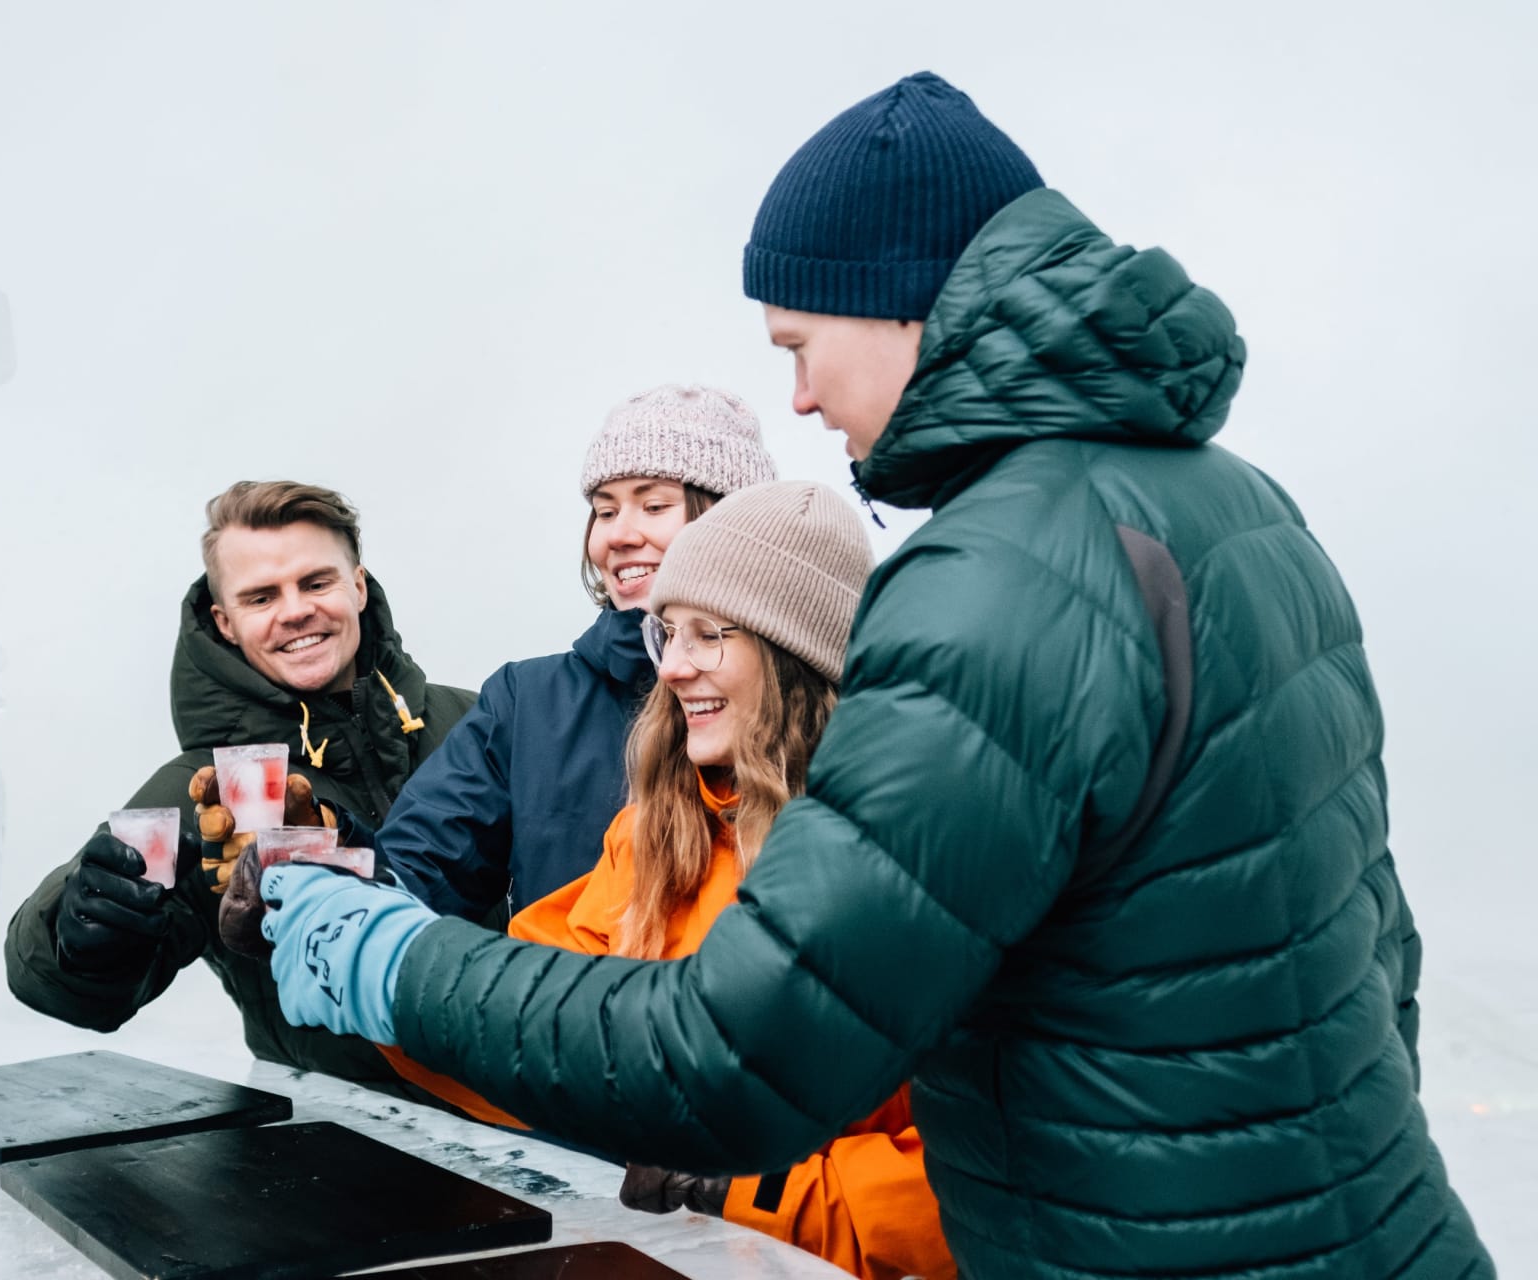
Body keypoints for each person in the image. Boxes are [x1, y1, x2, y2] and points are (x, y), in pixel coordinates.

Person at [256, 72, 1494, 1278]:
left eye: (801, 342)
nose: (797, 393)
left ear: (900, 301)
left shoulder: (1004, 566)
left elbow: (739, 1051)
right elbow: (1378, 950)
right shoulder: (1240, 509)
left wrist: (392, 961)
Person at [375, 482, 954, 1280]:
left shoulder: (917, 856)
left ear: (798, 658)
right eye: (667, 633)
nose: (674, 668)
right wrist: (366, 965)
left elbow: (974, 1183)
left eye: (710, 634)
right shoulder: (653, 836)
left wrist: (747, 1187)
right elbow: (531, 1028)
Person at [3, 479, 474, 1091]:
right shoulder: (201, 789)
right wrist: (80, 933)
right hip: (355, 1129)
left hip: (558, 1103)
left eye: (316, 582)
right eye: (260, 597)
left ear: (358, 586)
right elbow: (59, 986)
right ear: (224, 623)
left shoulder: (476, 724)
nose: (295, 610)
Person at [373, 384, 776, 922]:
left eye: (654, 504)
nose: (618, 536)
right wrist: (315, 880)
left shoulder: (802, 692)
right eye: (604, 512)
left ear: (731, 521)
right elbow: (416, 868)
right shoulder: (527, 702)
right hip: (562, 999)